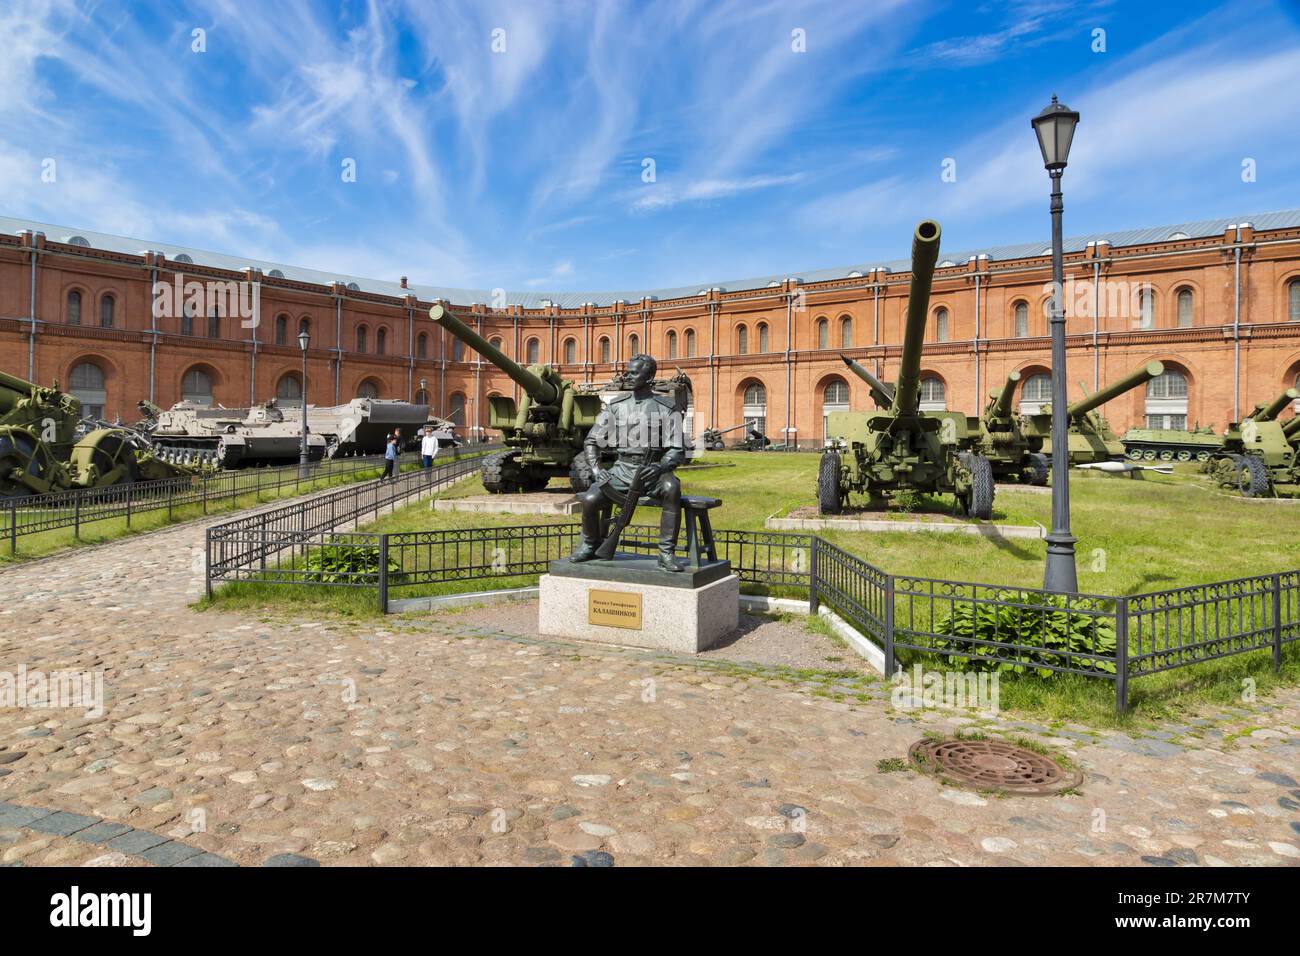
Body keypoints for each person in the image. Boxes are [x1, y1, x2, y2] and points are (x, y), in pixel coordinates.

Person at [569, 353, 685, 571]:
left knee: (672, 488)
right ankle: (589, 544)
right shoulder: (616, 406)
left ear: (649, 377)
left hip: (653, 472)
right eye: (627, 371)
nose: (628, 376)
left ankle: (666, 553)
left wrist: (660, 467)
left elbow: (677, 449)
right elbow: (592, 441)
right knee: (590, 499)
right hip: (621, 471)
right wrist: (596, 470)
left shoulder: (667, 407)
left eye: (634, 372)